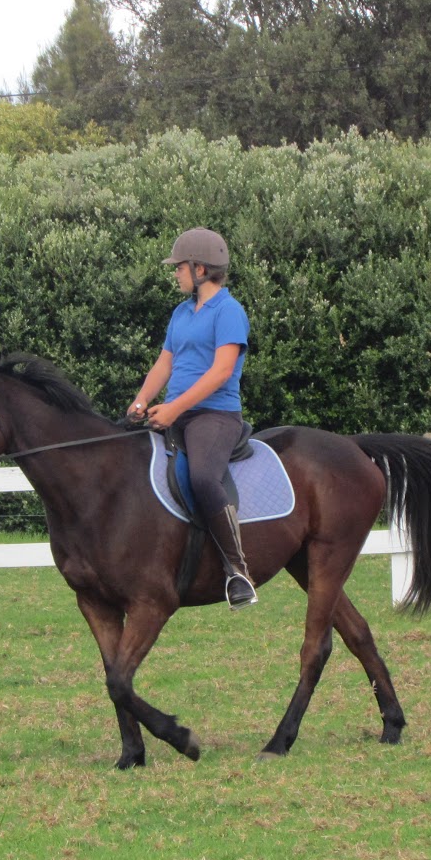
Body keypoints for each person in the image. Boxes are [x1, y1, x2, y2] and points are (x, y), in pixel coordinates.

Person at [128, 228, 258, 609]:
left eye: (179, 267)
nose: (175, 273)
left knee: (202, 476)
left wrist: (174, 408)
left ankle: (237, 571)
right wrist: (142, 399)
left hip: (215, 416)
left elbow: (221, 372)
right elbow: (164, 364)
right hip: (176, 413)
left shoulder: (229, 312)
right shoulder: (181, 313)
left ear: (200, 269)